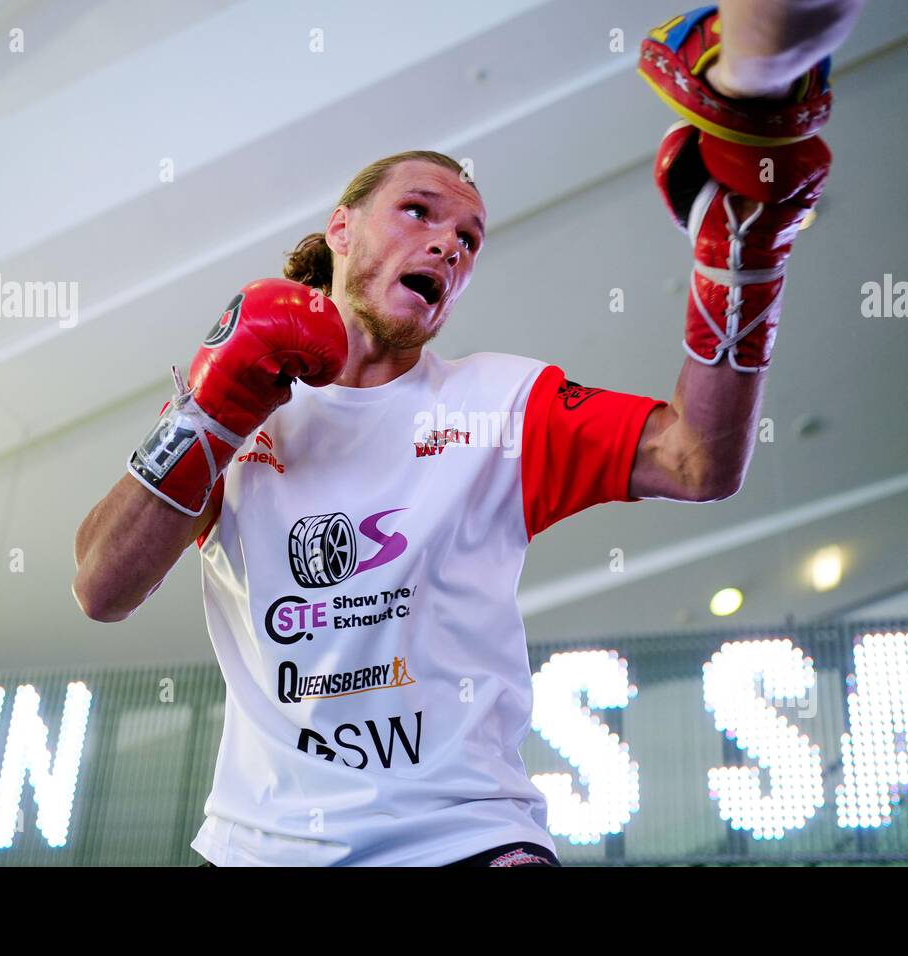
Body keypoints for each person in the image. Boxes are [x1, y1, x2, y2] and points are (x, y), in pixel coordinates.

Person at [72, 0, 863, 867]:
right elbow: (102, 588)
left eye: (469, 238)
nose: (449, 244)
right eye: (418, 212)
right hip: (259, 848)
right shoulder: (235, 399)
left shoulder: (500, 402)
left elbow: (699, 460)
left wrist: (740, 268)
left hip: (468, 837)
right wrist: (211, 412)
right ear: (340, 229)